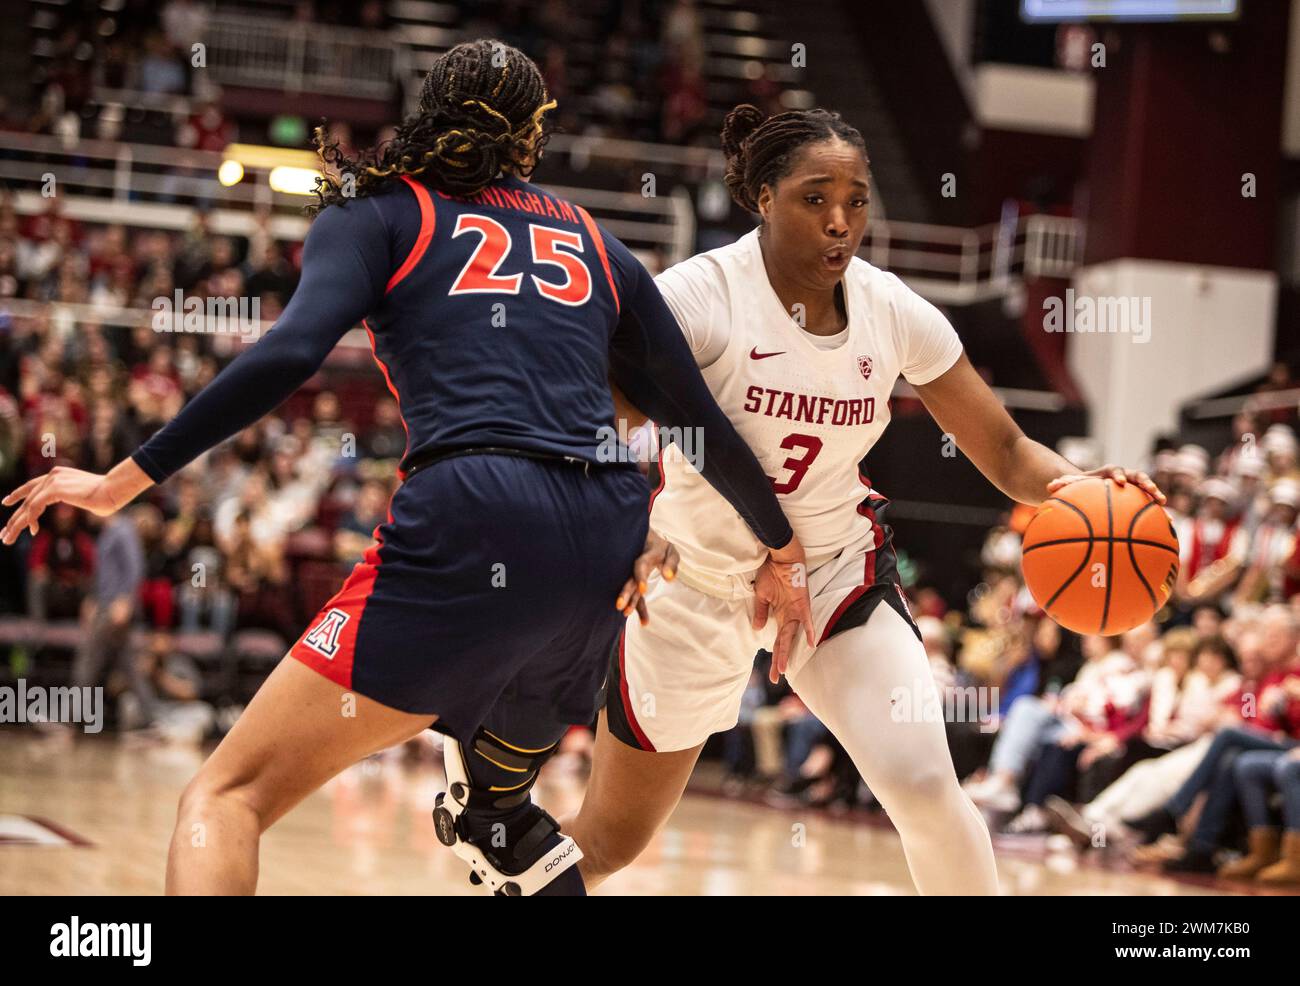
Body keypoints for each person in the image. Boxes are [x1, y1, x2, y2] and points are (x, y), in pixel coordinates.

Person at [1, 42, 809, 897]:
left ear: (429, 111)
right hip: (604, 542)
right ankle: (498, 817)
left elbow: (289, 353)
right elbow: (701, 424)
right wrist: (783, 552)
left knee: (225, 793)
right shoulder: (599, 244)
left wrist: (123, 478)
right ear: (533, 136)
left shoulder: (379, 209)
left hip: (477, 509)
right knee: (505, 824)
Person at [562, 103, 1165, 896]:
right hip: (693, 585)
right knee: (609, 844)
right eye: (816, 198)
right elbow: (595, 423)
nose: (841, 222)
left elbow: (1013, 454)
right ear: (764, 197)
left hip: (834, 578)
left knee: (924, 788)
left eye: (858, 199)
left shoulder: (893, 311)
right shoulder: (700, 298)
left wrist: (1086, 488)